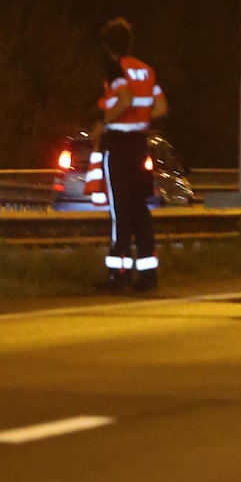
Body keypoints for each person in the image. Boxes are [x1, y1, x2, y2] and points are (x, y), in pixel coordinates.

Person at [92, 18, 167, 292]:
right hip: (139, 145)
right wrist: (140, 117)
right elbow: (161, 107)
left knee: (120, 212)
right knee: (140, 210)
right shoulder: (146, 71)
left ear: (107, 45)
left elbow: (123, 99)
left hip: (120, 146)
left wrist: (105, 123)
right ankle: (148, 275)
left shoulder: (115, 68)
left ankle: (118, 275)